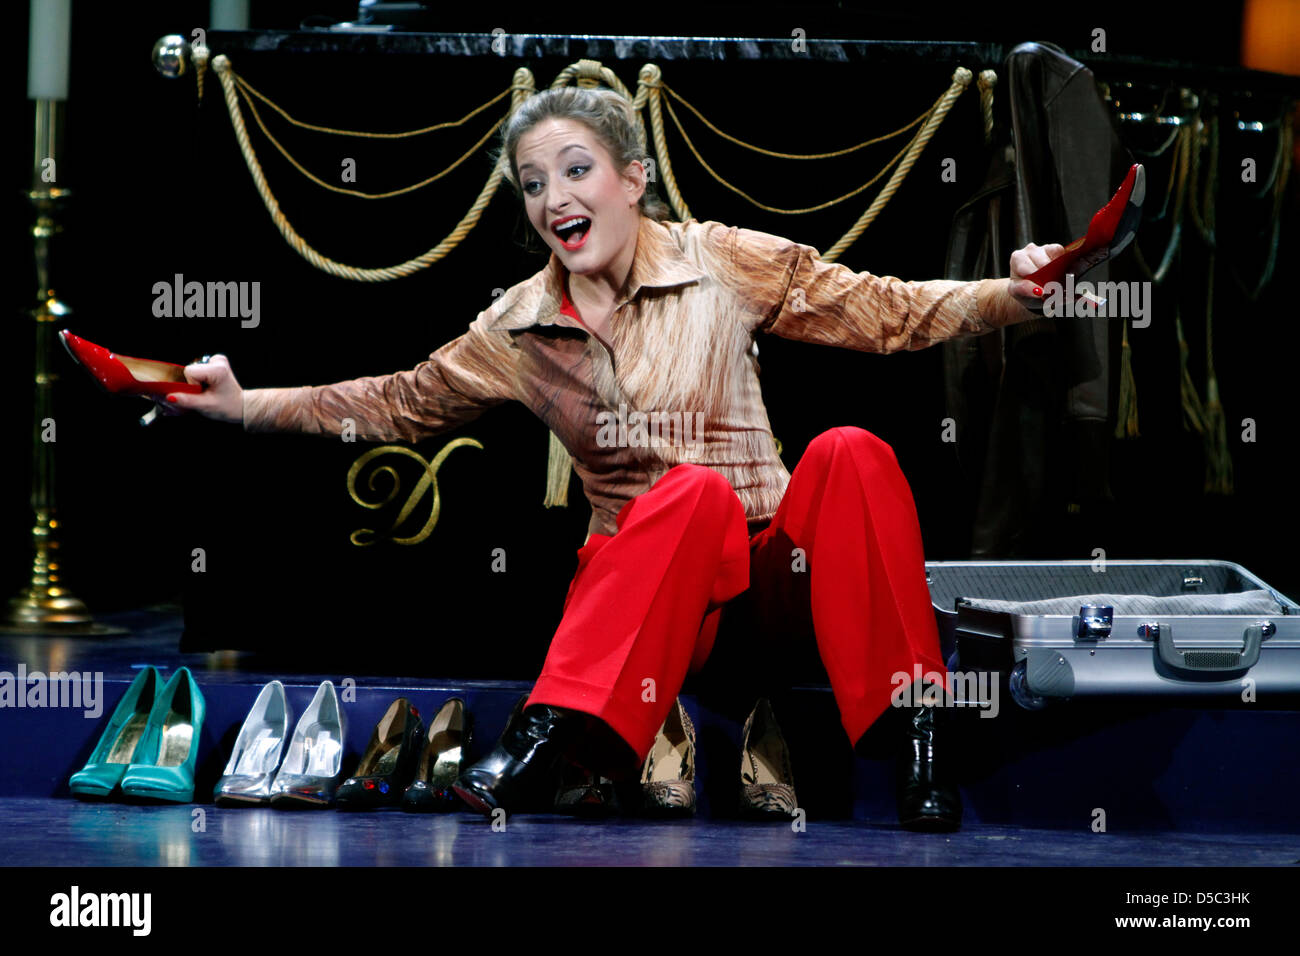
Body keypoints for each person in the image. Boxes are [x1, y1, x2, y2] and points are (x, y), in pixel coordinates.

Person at [171, 86, 1060, 831]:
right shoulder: (520, 326)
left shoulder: (717, 261)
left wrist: (1009, 297)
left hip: (772, 591)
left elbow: (882, 309)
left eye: (575, 170)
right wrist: (246, 405)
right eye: (532, 183)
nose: (553, 197)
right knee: (693, 493)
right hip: (654, 608)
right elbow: (397, 402)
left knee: (851, 452)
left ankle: (920, 740)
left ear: (633, 180)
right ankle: (545, 735)